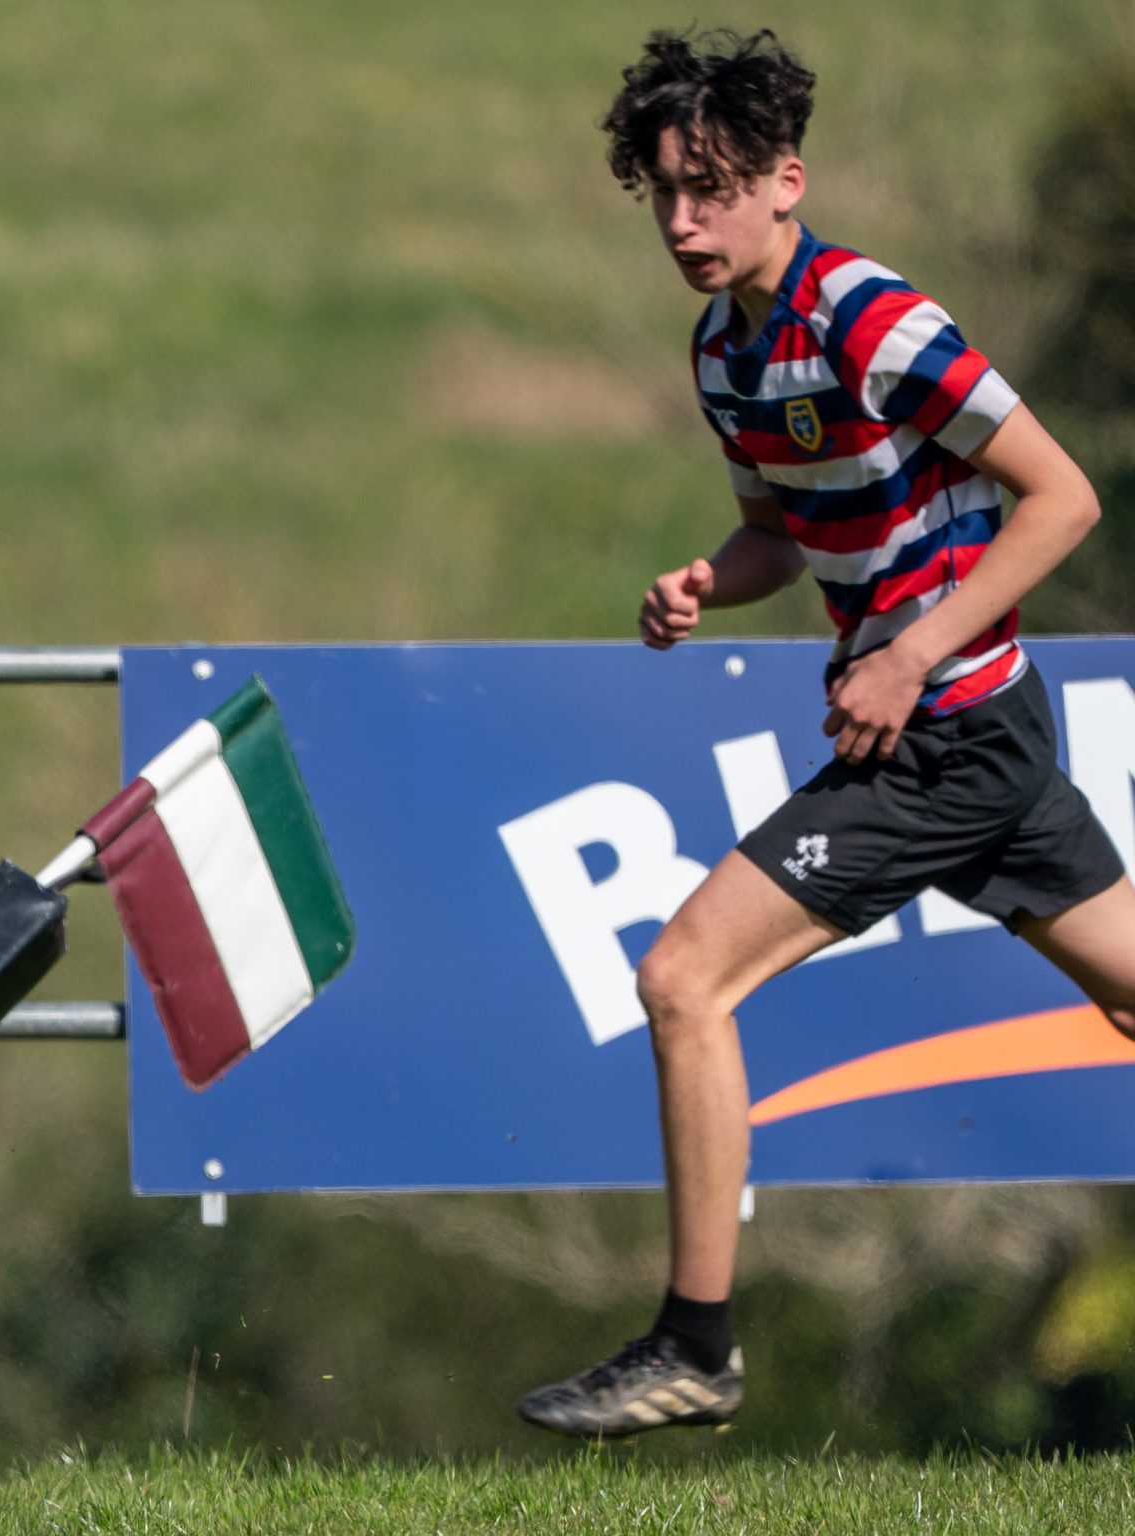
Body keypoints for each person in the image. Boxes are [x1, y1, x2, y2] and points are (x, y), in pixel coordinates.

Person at [516, 31, 1135, 1438]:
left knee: (683, 980)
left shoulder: (874, 317)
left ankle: (696, 1347)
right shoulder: (725, 349)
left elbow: (1063, 498)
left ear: (785, 181)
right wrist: (703, 582)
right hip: (968, 736)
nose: (682, 221)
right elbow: (775, 537)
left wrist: (911, 654)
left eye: (711, 188)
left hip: (945, 734)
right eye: (664, 193)